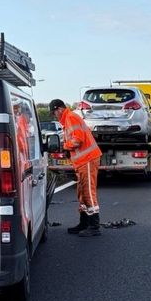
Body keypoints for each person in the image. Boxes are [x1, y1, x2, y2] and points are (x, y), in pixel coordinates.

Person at [49, 99, 103, 237]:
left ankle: (94, 225)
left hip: (88, 159)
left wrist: (65, 146)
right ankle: (84, 223)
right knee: (82, 192)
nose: (55, 116)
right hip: (82, 161)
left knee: (88, 191)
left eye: (54, 112)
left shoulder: (71, 118)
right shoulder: (69, 118)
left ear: (59, 109)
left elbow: (77, 139)